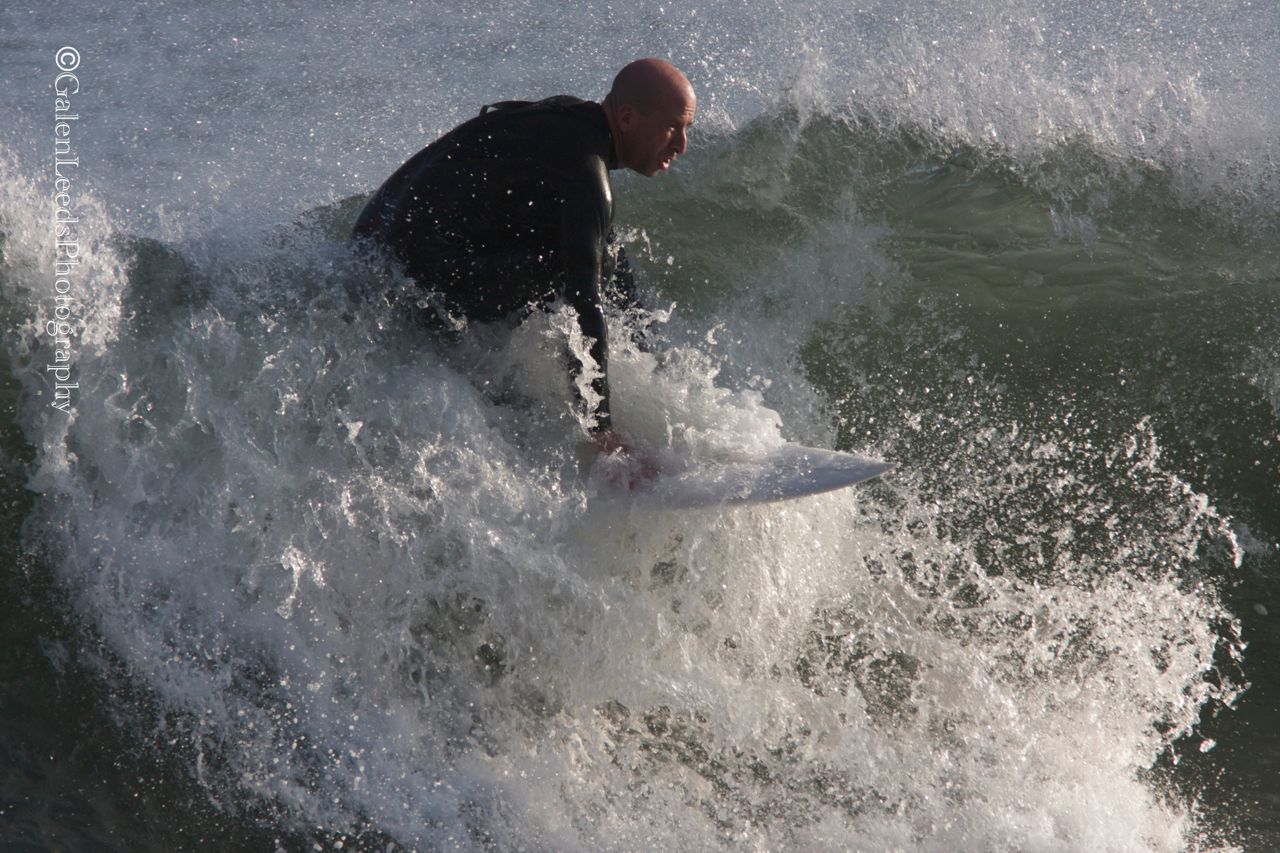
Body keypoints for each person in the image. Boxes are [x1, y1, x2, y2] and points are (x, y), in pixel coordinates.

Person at [352, 58, 696, 463]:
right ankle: (584, 429)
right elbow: (583, 302)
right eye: (673, 127)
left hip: (372, 241)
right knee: (584, 262)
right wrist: (599, 427)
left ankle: (663, 376)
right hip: (411, 276)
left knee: (604, 246)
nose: (682, 145)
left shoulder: (567, 122)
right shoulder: (586, 175)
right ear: (626, 117)